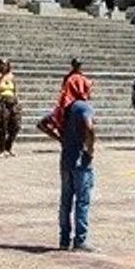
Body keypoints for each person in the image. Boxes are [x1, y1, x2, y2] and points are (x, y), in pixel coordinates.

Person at [43, 76, 97, 249]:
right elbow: (89, 127)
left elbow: (42, 124)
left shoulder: (64, 108)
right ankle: (80, 239)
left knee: (66, 201)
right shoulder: (84, 106)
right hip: (81, 160)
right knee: (82, 201)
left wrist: (60, 138)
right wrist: (90, 148)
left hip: (66, 159)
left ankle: (64, 239)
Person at [0, 59, 21, 156]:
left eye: (6, 65)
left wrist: (17, 101)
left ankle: (8, 147)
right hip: (0, 102)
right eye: (2, 65)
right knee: (1, 126)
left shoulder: (11, 76)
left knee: (16, 125)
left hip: (12, 102)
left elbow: (15, 90)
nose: (4, 67)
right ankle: (2, 149)